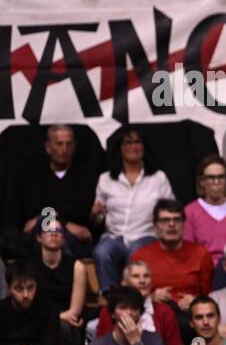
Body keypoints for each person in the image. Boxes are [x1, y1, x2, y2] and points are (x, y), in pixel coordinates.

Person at [90, 126, 176, 294]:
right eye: (128, 143)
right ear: (119, 148)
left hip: (146, 235)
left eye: (137, 142)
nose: (133, 147)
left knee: (136, 251)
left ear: (144, 147)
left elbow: (171, 210)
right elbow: (97, 220)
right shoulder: (106, 179)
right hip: (114, 236)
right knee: (101, 252)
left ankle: (134, 299)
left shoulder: (158, 178)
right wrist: (95, 214)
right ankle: (111, 297)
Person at [13, 125, 98, 259]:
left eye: (68, 144)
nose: (64, 150)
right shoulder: (35, 177)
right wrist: (66, 223)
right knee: (48, 231)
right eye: (59, 144)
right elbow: (32, 211)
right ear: (48, 147)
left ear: (74, 147)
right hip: (41, 236)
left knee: (54, 231)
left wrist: (49, 215)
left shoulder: (85, 177)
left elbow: (81, 212)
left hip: (75, 240)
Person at [133, 200, 215, 314]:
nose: (171, 225)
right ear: (155, 225)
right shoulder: (140, 256)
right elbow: (131, 298)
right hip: (154, 316)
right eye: (165, 220)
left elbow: (211, 296)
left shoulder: (201, 254)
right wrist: (150, 298)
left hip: (191, 317)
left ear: (184, 224)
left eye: (176, 220)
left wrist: (196, 301)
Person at [96, 260, 183, 345]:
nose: (142, 281)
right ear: (124, 282)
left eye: (146, 276)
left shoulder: (164, 311)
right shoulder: (109, 311)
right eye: (136, 276)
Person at [184, 155, 226, 267]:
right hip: (204, 270)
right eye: (211, 177)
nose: (216, 182)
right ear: (202, 182)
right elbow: (188, 249)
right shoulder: (190, 212)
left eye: (221, 177)